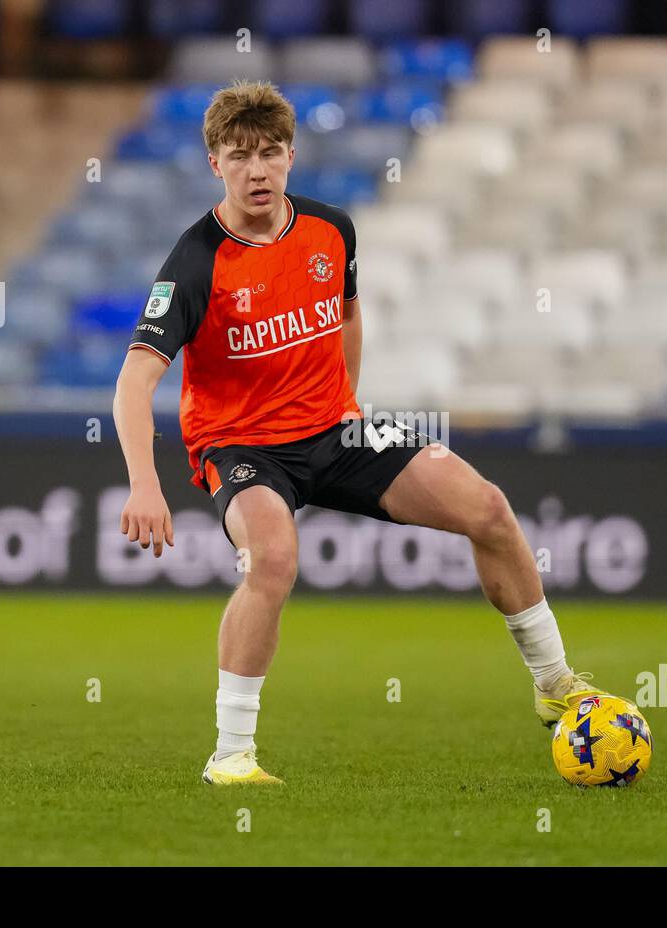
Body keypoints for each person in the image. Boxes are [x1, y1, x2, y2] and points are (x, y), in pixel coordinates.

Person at [112, 80, 607, 785]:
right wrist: (143, 483)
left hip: (335, 431)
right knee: (272, 560)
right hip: (243, 447)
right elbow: (135, 380)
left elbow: (345, 313)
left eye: (271, 153)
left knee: (488, 510)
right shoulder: (197, 260)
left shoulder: (330, 229)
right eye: (240, 155)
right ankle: (230, 756)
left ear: (291, 155)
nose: (258, 170)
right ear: (214, 162)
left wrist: (348, 401)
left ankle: (554, 683)